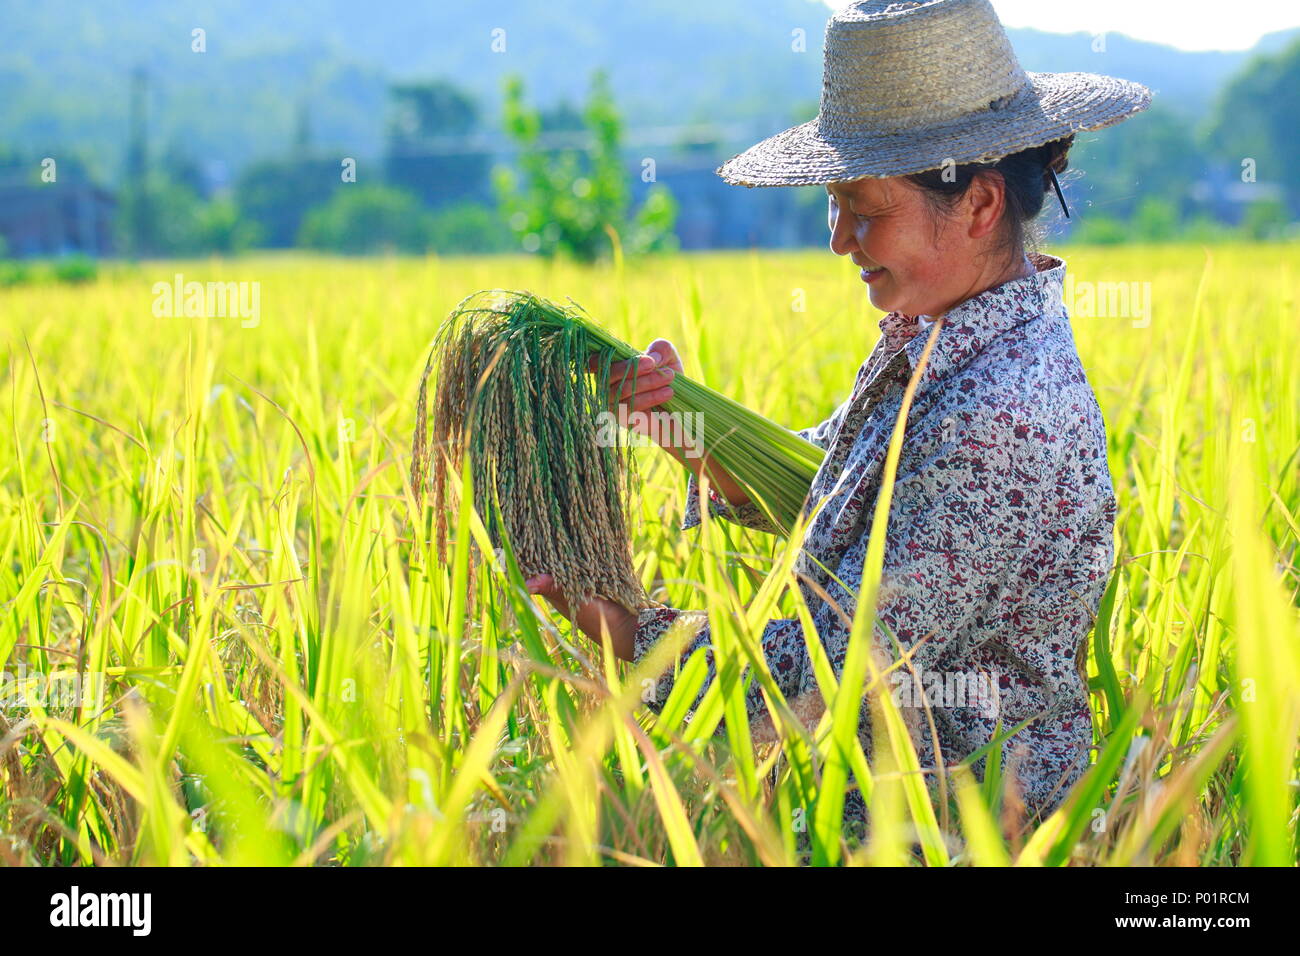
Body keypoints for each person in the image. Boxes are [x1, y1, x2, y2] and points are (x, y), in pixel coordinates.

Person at [525, 0, 1151, 826]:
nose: (839, 239)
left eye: (866, 207)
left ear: (979, 205)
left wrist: (632, 636)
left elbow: (830, 670)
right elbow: (829, 481)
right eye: (834, 203)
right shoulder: (937, 336)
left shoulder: (999, 414)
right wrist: (688, 428)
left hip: (962, 825)